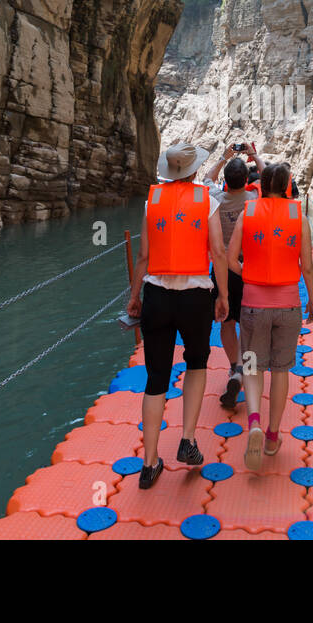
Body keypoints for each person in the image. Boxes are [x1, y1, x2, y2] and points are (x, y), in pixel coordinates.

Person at [126, 143, 230, 489]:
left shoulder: (151, 202)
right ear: (194, 171)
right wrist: (223, 295)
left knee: (155, 379)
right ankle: (187, 440)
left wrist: (134, 295)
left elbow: (142, 256)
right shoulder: (207, 201)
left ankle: (149, 462)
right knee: (197, 364)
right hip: (196, 299)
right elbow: (217, 251)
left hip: (157, 296)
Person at [226, 162, 313, 471]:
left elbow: (229, 258)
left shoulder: (246, 213)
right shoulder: (299, 217)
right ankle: (272, 436)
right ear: (288, 186)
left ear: (261, 185)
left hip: (252, 305)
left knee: (251, 366)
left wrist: (248, 275)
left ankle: (253, 420)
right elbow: (306, 266)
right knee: (280, 371)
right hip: (288, 305)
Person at [205, 151, 252, 408]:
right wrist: (253, 154)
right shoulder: (253, 200)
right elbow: (269, 183)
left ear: (226, 180)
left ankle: (234, 367)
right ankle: (245, 368)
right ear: (246, 179)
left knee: (226, 319)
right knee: (247, 319)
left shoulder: (215, 199)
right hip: (247, 267)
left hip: (221, 267)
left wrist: (223, 157)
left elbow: (206, 178)